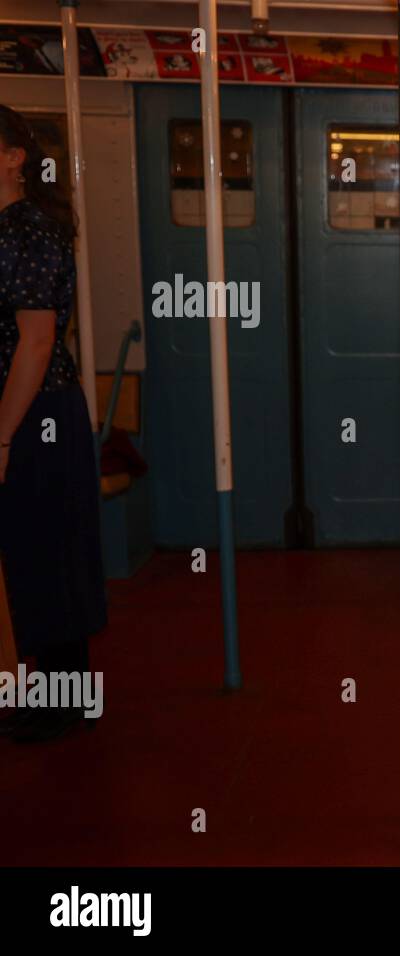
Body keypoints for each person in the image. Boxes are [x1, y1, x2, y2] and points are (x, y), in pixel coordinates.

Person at [0, 105, 107, 742]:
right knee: (40, 548)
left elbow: (36, 343)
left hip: (35, 408)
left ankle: (64, 699)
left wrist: (4, 433)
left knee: (47, 550)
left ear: (14, 157)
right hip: (27, 405)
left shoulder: (24, 231)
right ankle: (64, 694)